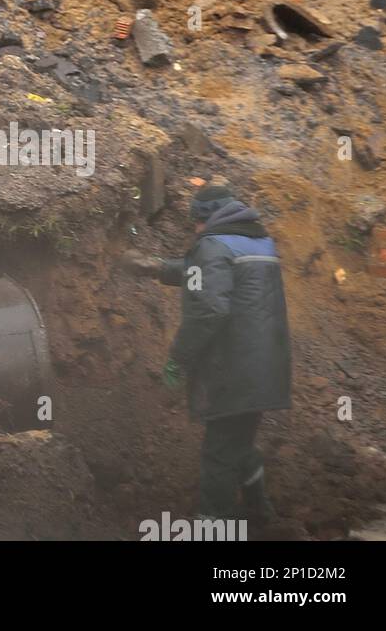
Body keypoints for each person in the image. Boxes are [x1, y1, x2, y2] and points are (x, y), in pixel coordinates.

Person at [129, 183, 291, 524]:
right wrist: (158, 267)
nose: (195, 229)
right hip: (265, 370)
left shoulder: (212, 244)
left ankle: (213, 525)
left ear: (207, 218)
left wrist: (178, 358)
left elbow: (210, 309)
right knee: (239, 443)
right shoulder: (258, 241)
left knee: (218, 455)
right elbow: (215, 274)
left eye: (196, 222)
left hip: (232, 373)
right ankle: (260, 515)